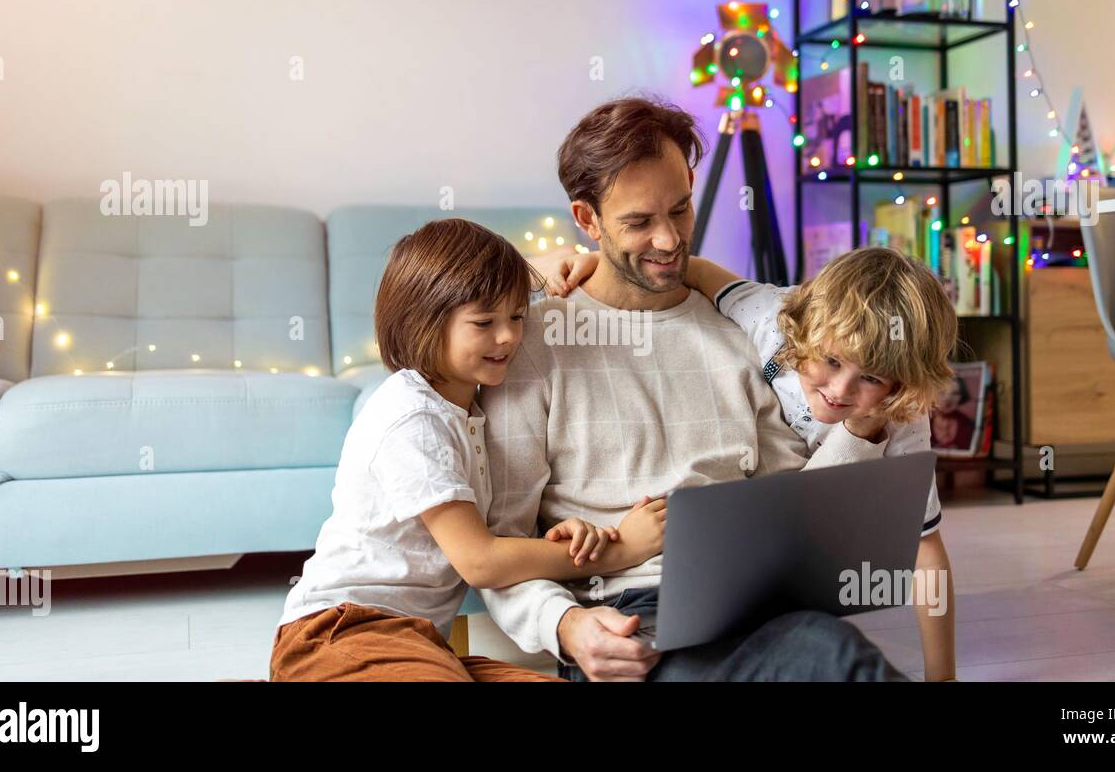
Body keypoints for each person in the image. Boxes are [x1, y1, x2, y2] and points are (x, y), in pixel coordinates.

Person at [478, 96, 908, 682]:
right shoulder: (529, 347)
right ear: (586, 220)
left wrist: (863, 428)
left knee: (831, 651)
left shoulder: (736, 335)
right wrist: (566, 627)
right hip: (622, 622)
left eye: (680, 210)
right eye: (638, 222)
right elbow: (499, 546)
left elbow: (794, 506)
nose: (669, 240)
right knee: (830, 658)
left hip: (754, 607)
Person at [269, 218, 665, 681]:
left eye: (517, 317)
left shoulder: (468, 411)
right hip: (342, 631)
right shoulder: (413, 416)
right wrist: (621, 552)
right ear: (422, 321)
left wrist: (563, 536)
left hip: (420, 642)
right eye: (484, 323)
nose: (508, 337)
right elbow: (480, 560)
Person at [549, 245, 959, 680]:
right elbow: (699, 270)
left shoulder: (902, 417)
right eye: (832, 360)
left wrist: (942, 674)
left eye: (871, 378)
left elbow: (926, 548)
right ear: (806, 329)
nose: (840, 389)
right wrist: (596, 260)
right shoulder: (769, 315)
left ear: (900, 387)